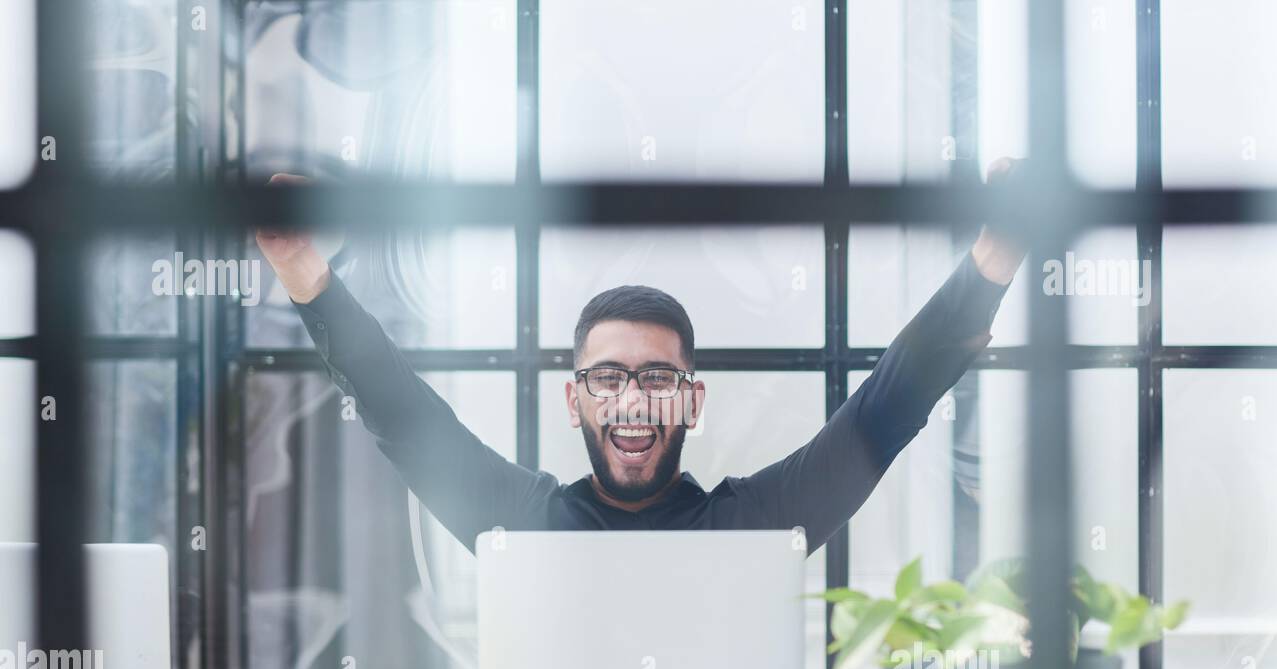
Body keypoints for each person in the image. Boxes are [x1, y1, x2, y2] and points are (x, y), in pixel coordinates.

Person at [255, 160, 1027, 555]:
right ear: (575, 400)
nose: (631, 400)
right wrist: (305, 278)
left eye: (656, 378)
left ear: (691, 400)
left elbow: (885, 412)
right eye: (607, 378)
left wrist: (994, 258)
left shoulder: (754, 525)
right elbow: (401, 416)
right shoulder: (524, 525)